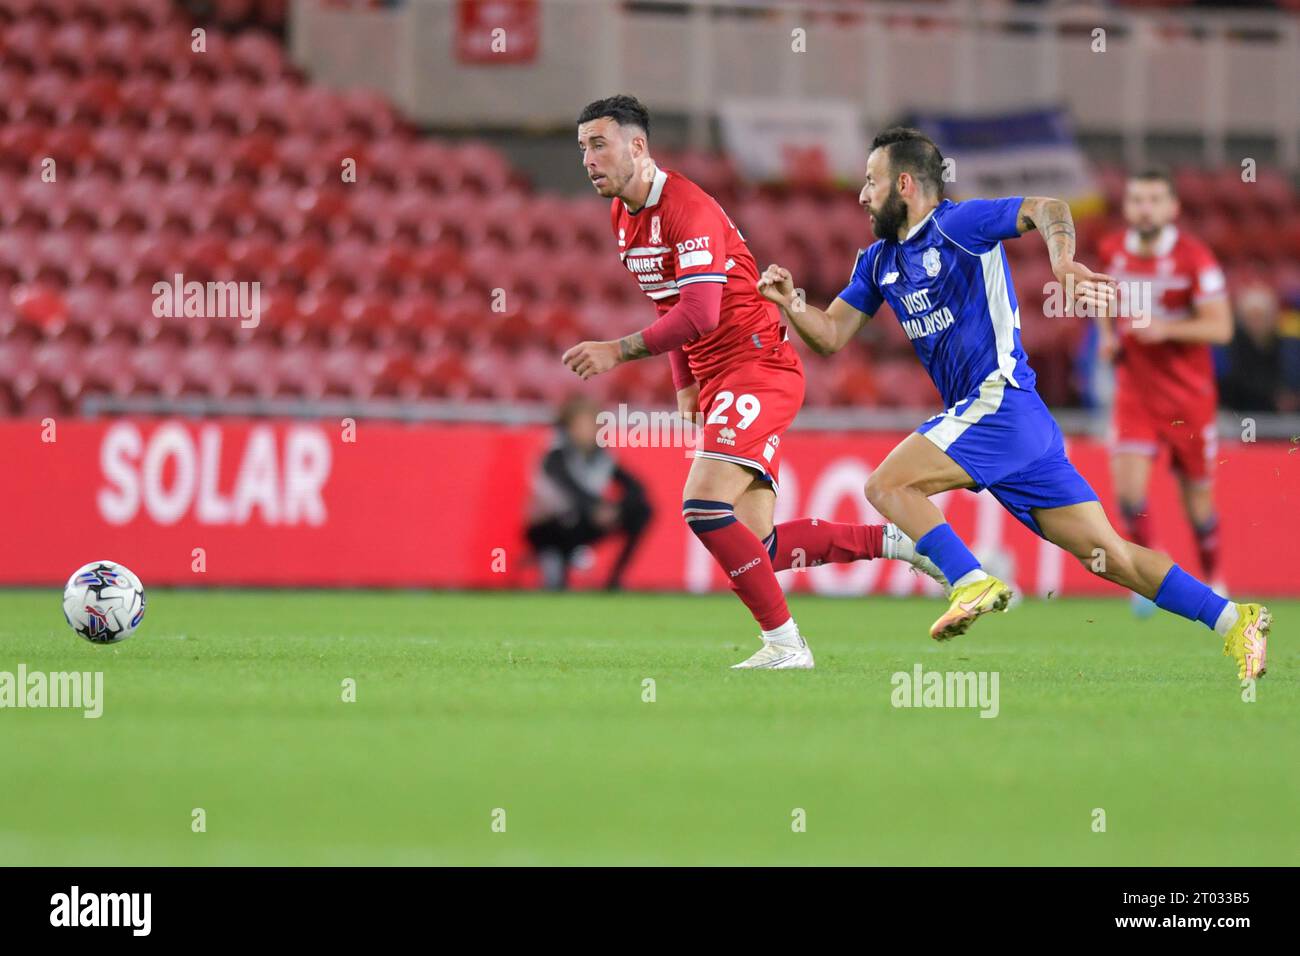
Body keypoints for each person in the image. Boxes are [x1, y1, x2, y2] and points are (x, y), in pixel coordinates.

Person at [755, 127, 1268, 681]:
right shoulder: (878, 262)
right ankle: (1234, 619)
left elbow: (1048, 208)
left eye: (871, 182)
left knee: (886, 485)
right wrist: (792, 305)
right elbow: (831, 334)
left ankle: (971, 578)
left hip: (997, 401)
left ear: (904, 184)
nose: (862, 195)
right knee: (1112, 556)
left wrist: (1064, 263)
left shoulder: (960, 225)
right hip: (1015, 426)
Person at [561, 96, 943, 670]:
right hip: (721, 377)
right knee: (758, 545)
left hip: (757, 367)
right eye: (583, 147)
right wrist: (686, 383)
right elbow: (668, 299)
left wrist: (617, 351)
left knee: (702, 505)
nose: (588, 159)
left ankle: (786, 646)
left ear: (637, 146)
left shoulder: (687, 208)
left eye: (599, 144)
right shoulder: (623, 216)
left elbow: (699, 314)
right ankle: (903, 545)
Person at [1094, 169, 1232, 613]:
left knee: (1198, 506)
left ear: (1173, 208)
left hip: (1189, 399)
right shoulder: (1112, 250)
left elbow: (1222, 327)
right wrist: (1107, 335)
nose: (1145, 208)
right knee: (1130, 498)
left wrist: (1167, 329)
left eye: (1154, 199)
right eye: (1137, 199)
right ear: (1128, 206)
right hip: (1135, 392)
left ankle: (1214, 579)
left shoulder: (1196, 259)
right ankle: (1153, 573)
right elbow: (1104, 298)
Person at [525, 396, 653, 591]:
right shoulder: (555, 455)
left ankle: (614, 580)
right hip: (550, 526)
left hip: (584, 520)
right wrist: (597, 506)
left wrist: (618, 508)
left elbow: (635, 487)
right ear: (568, 427)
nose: (588, 430)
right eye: (582, 424)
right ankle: (553, 565)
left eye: (592, 424)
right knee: (567, 523)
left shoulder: (602, 456)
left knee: (642, 511)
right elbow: (570, 488)